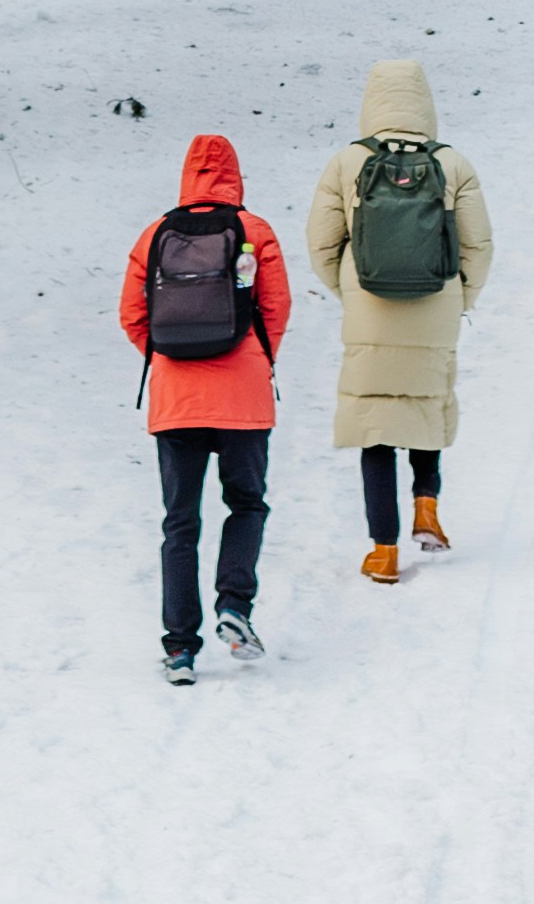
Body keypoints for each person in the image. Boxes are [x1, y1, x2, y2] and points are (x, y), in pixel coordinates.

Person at [304, 51, 492, 579]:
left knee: (376, 424)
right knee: (426, 406)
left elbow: (322, 244)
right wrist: (460, 299)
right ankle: (427, 506)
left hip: (369, 309)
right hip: (436, 306)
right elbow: (478, 245)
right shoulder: (453, 163)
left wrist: (351, 291)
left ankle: (383, 552)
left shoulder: (347, 162)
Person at [119, 126, 291, 681]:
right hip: (242, 395)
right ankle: (234, 607)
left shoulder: (155, 235)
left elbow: (132, 316)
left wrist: (168, 356)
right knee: (246, 504)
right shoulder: (253, 230)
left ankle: (179, 649)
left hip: (176, 399)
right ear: (235, 176)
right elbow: (276, 308)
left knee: (180, 523)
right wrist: (256, 359)